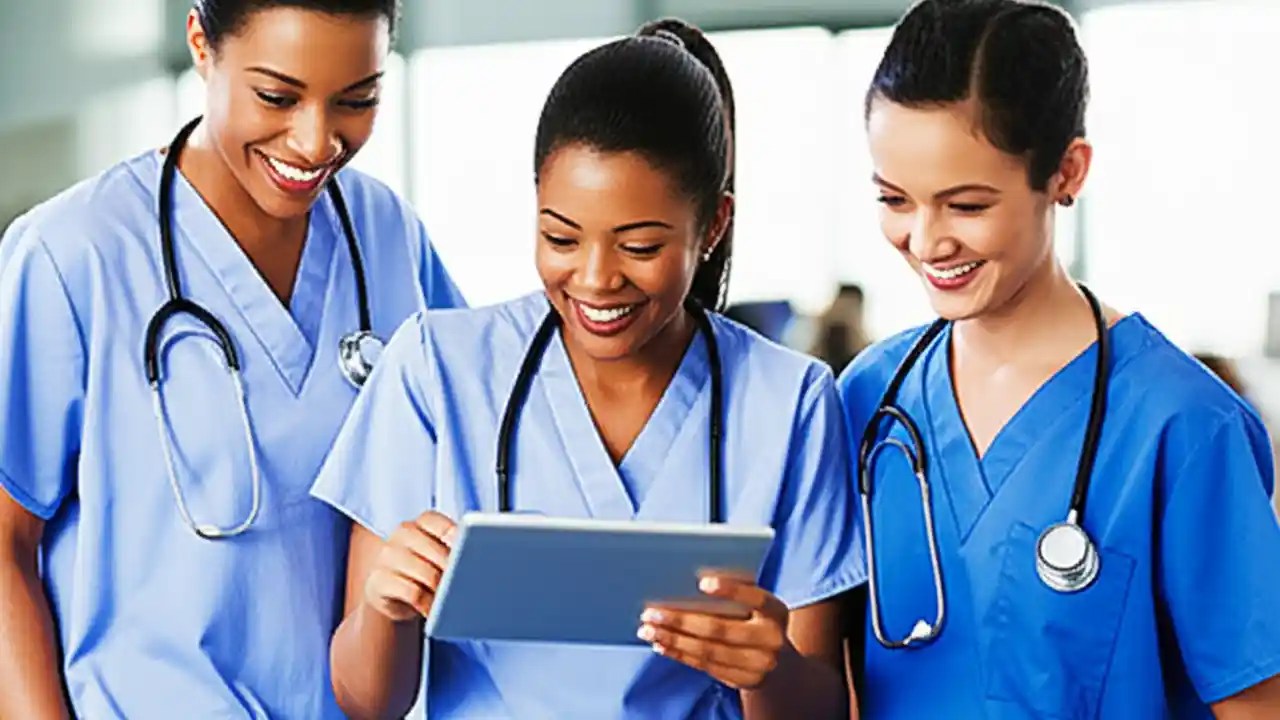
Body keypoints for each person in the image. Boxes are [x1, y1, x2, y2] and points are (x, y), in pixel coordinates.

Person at [311, 18, 862, 720]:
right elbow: (367, 701)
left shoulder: (791, 403)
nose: (597, 280)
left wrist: (768, 666)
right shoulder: (435, 371)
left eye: (639, 245)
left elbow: (819, 706)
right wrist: (384, 610)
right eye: (560, 237)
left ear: (713, 225)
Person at [0, 1, 464, 717]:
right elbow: (4, 543)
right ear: (201, 46)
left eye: (358, 100)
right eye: (277, 97)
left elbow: (491, 444)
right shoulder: (72, 256)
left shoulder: (388, 236)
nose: (316, 143)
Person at [838, 0, 1280, 717]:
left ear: (1067, 172)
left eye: (967, 206)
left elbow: (1258, 703)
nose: (925, 241)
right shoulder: (869, 400)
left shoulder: (1181, 425)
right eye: (895, 199)